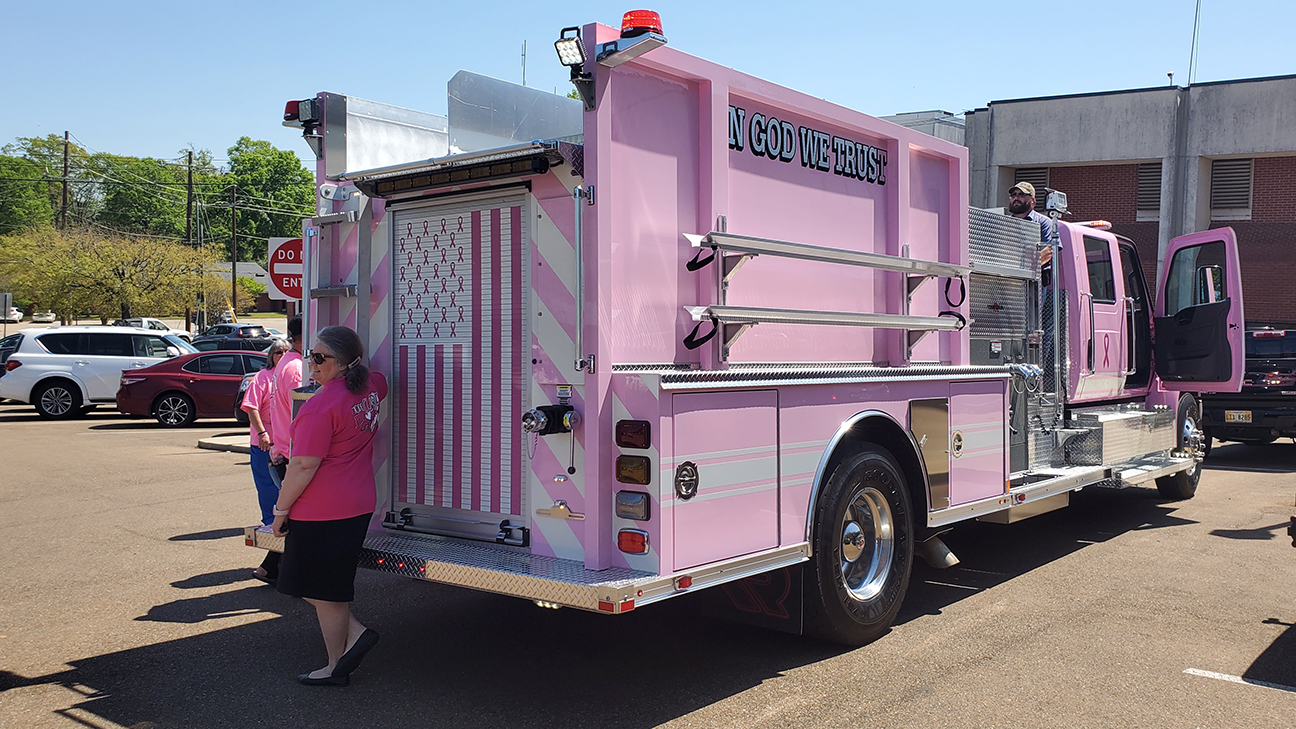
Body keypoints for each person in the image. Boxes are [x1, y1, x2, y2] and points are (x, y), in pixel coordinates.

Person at [270, 325, 388, 687]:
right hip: (357, 503)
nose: (312, 364)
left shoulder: (320, 407)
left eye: (320, 358)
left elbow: (302, 465)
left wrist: (280, 511)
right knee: (322, 586)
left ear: (343, 364)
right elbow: (380, 383)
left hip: (321, 510)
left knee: (318, 588)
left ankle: (337, 663)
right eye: (311, 355)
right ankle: (352, 640)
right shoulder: (369, 387)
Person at [243, 338, 292, 584]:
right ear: (270, 355)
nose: (282, 355)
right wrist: (262, 433)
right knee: (270, 497)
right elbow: (251, 407)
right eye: (278, 352)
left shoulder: (291, 374)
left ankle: (275, 562)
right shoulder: (263, 377)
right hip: (265, 446)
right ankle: (274, 555)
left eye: (286, 351)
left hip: (284, 447)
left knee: (285, 498)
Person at [269, 316, 304, 475]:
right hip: (292, 453)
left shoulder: (286, 361)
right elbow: (300, 414)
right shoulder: (296, 367)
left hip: (283, 448)